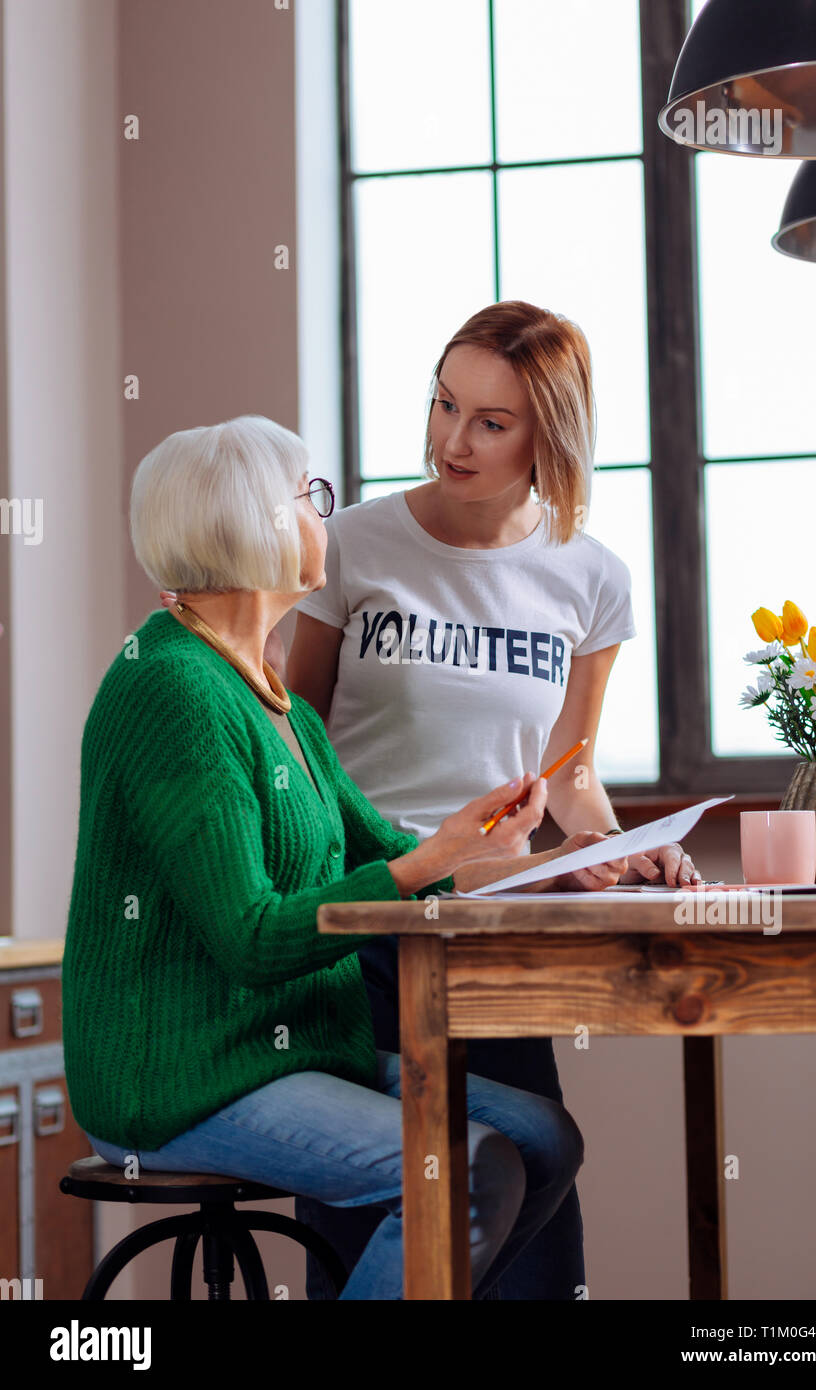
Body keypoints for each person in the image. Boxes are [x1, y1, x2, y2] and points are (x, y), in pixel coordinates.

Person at [62, 412, 632, 1301]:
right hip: (183, 1075)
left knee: (541, 1139)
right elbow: (251, 936)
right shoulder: (170, 687)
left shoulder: (273, 699)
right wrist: (421, 863)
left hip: (287, 1051)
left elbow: (400, 853)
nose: (324, 517)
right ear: (249, 523)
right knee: (464, 1166)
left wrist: (533, 857)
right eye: (308, 498)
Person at [286, 301, 703, 1299]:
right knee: (376, 1208)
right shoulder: (350, 544)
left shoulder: (588, 576)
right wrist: (413, 855)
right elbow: (295, 741)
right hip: (367, 917)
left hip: (496, 934)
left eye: (488, 420)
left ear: (545, 436)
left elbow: (568, 770)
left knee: (519, 1219)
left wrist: (612, 844)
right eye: (442, 404)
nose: (448, 439)